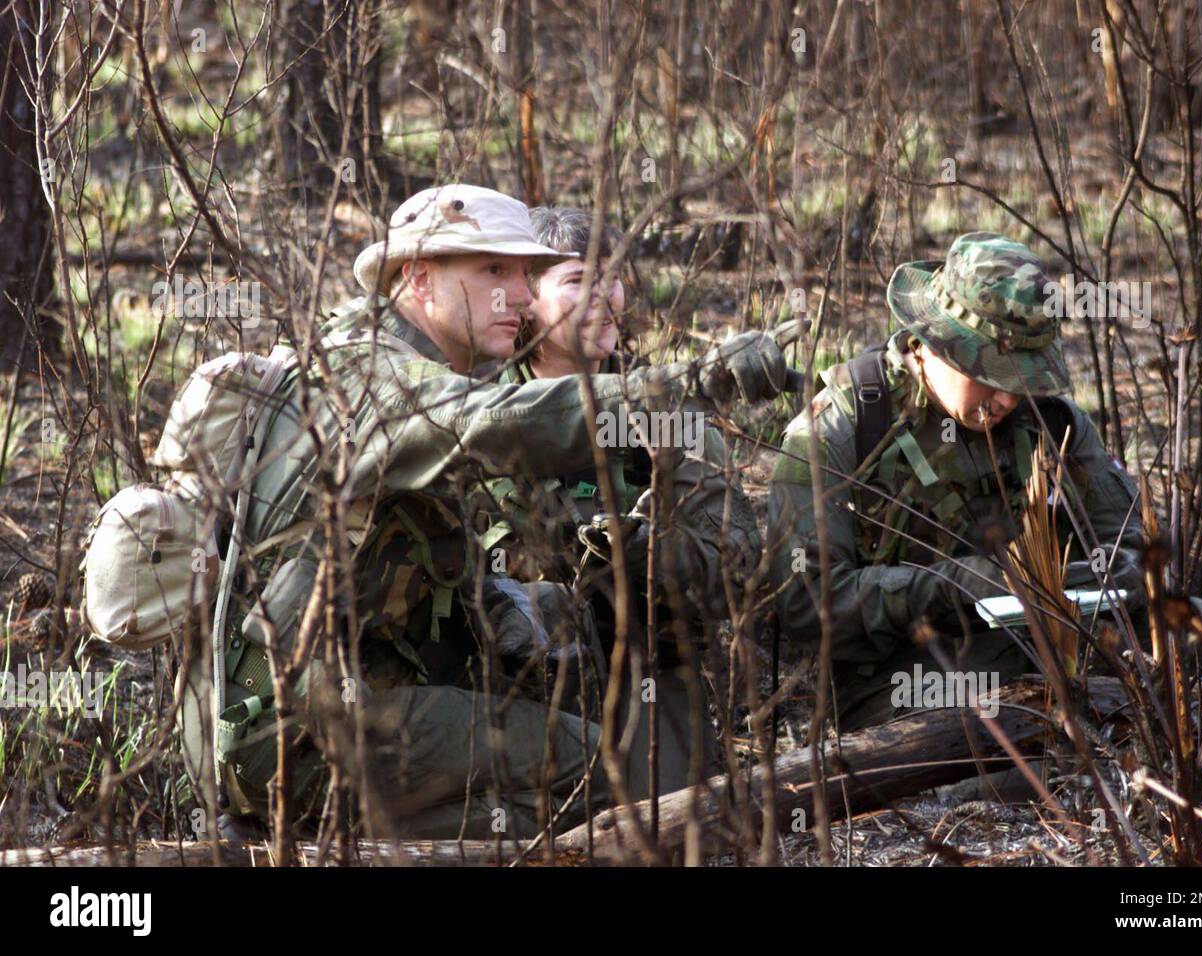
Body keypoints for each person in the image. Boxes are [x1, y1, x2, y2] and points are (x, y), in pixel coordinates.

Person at [177, 184, 788, 840]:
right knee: (597, 777)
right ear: (417, 278)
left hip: (282, 717)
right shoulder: (380, 377)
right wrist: (692, 384)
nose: (520, 295)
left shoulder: (364, 359)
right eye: (495, 271)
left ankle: (334, 833)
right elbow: (489, 425)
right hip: (295, 732)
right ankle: (331, 837)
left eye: (525, 273)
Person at [767, 231, 1202, 732]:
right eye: (988, 374)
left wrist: (1109, 572)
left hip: (1052, 641)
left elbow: (1127, 541)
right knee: (1016, 757)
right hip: (910, 671)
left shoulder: (1053, 424)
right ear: (930, 342)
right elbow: (805, 605)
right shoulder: (840, 430)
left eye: (1021, 379)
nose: (1006, 398)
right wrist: (952, 587)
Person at [472, 206, 761, 798]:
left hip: (649, 670)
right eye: (579, 281)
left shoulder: (665, 409)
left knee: (681, 825)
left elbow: (738, 552)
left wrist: (650, 554)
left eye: (614, 278)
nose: (604, 297)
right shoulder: (482, 415)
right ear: (527, 300)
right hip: (521, 678)